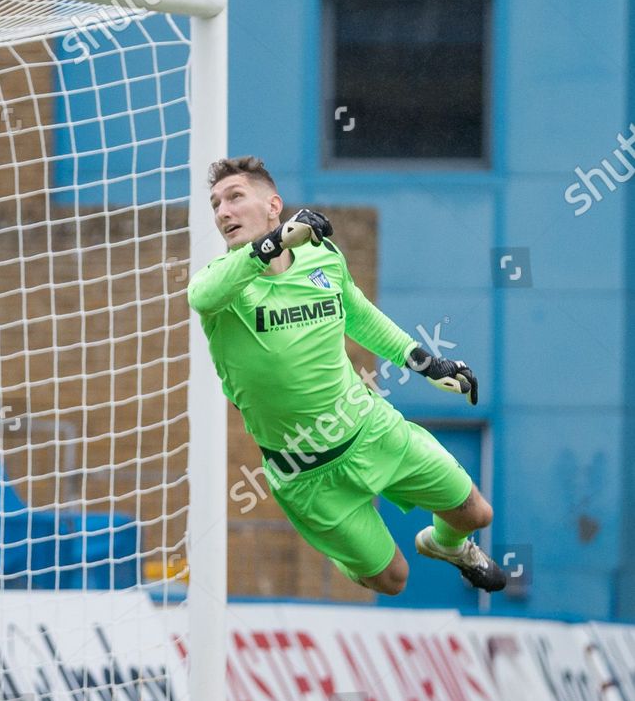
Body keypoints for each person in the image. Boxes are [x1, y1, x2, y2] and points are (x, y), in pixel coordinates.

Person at [187, 155, 505, 595]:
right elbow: (201, 296)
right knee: (393, 580)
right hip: (305, 473)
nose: (223, 211)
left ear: (273, 205)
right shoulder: (224, 283)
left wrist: (428, 364)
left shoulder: (322, 256)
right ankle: (339, 547)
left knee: (476, 515)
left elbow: (359, 316)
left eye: (235, 197)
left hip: (370, 429)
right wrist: (273, 242)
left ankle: (448, 547)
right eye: (216, 204)